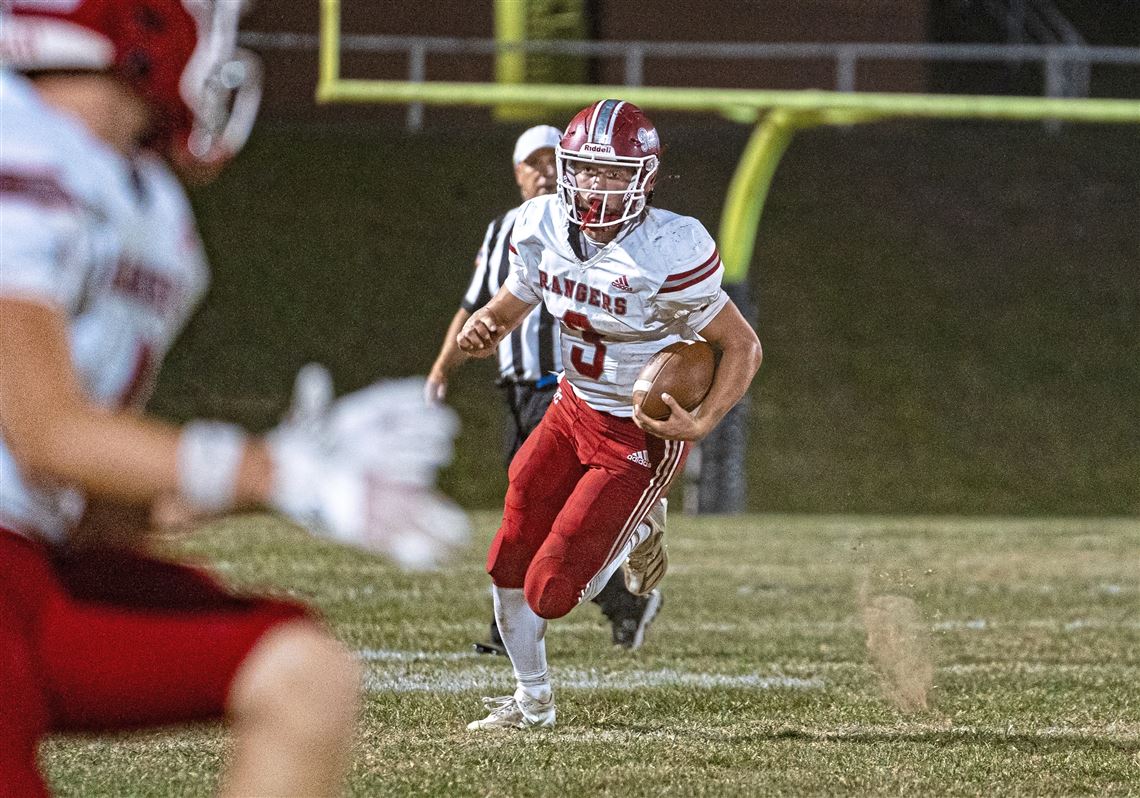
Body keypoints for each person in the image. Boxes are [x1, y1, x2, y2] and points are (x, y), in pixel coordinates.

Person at [0, 2, 466, 795]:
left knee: (297, 670)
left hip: (26, 577)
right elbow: (48, 431)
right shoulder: (24, 151)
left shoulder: (133, 201)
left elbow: (93, 517)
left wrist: (296, 472)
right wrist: (263, 471)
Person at [458, 99, 763, 730]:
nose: (598, 184)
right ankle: (532, 701)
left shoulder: (669, 248)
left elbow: (743, 345)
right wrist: (492, 321)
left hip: (638, 432)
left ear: (644, 178)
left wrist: (702, 423)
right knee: (508, 555)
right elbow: (522, 294)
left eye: (616, 172)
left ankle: (641, 518)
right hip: (571, 408)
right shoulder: (538, 223)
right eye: (589, 169)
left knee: (552, 588)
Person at [426, 124, 663, 654]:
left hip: (569, 390)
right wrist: (445, 363)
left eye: (555, 161)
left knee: (545, 507)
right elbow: (477, 304)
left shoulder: (606, 228)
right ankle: (623, 602)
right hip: (515, 386)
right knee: (528, 503)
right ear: (516, 173)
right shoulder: (508, 228)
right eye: (533, 164)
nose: (547, 172)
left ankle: (509, 631)